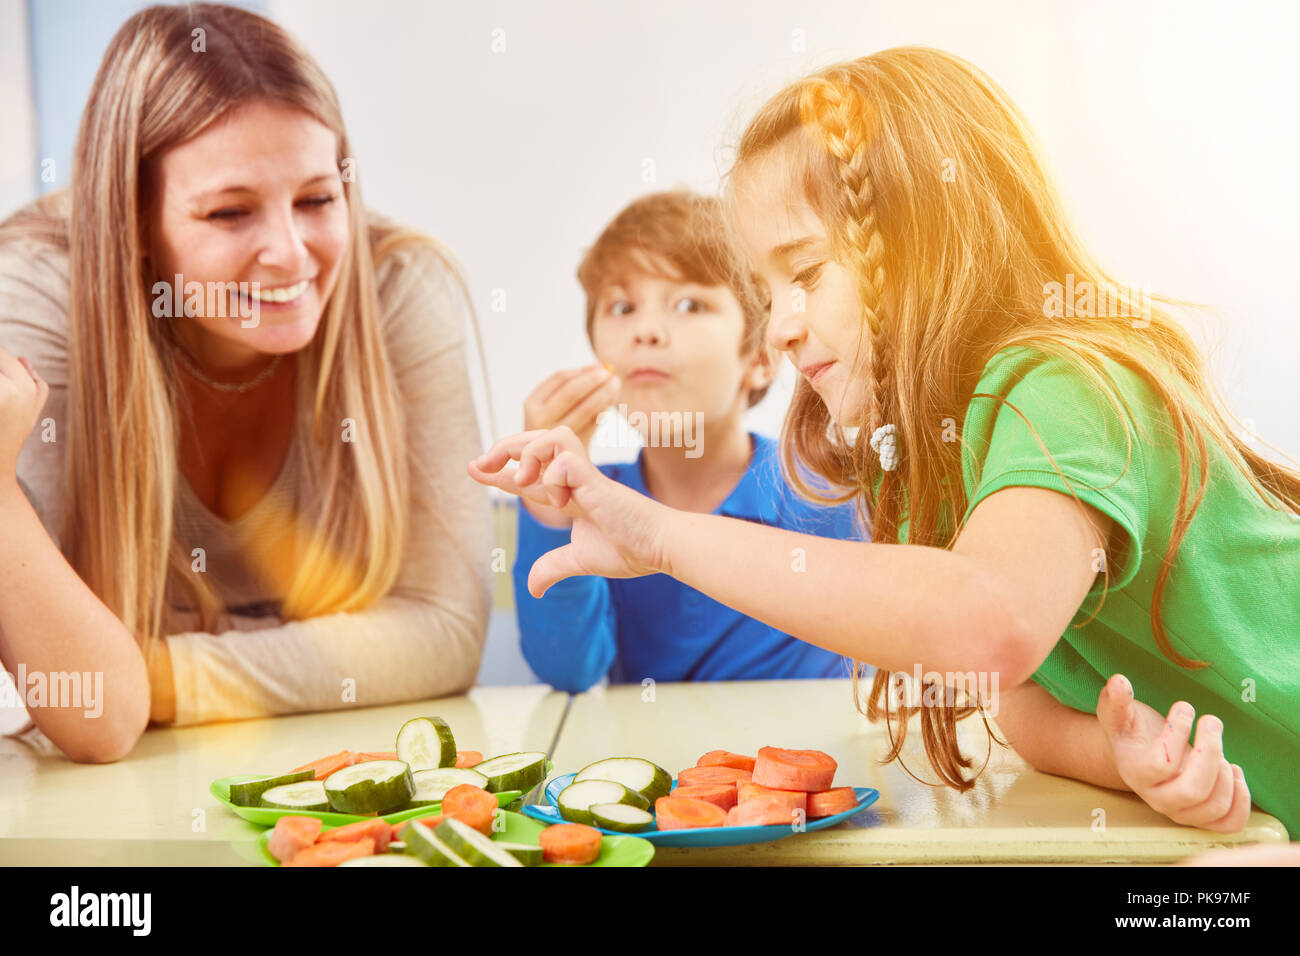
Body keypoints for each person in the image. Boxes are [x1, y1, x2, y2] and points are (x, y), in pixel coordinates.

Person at [470, 48, 1300, 836]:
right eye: (768, 294)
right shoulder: (935, 459)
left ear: (920, 246)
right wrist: (1119, 755)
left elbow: (989, 625)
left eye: (803, 275)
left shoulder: (1064, 382)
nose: (784, 328)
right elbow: (1011, 695)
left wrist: (659, 536)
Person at [0, 3, 491, 761]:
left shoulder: (396, 286)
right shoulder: (39, 294)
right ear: (130, 220)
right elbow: (92, 706)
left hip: (337, 769)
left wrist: (153, 670)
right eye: (231, 212)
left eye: (318, 199)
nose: (291, 256)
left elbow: (445, 632)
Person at [513, 190, 862, 690]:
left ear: (761, 357)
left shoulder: (834, 495)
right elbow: (569, 671)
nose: (647, 330)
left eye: (689, 303)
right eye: (622, 306)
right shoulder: (588, 505)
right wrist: (552, 505)